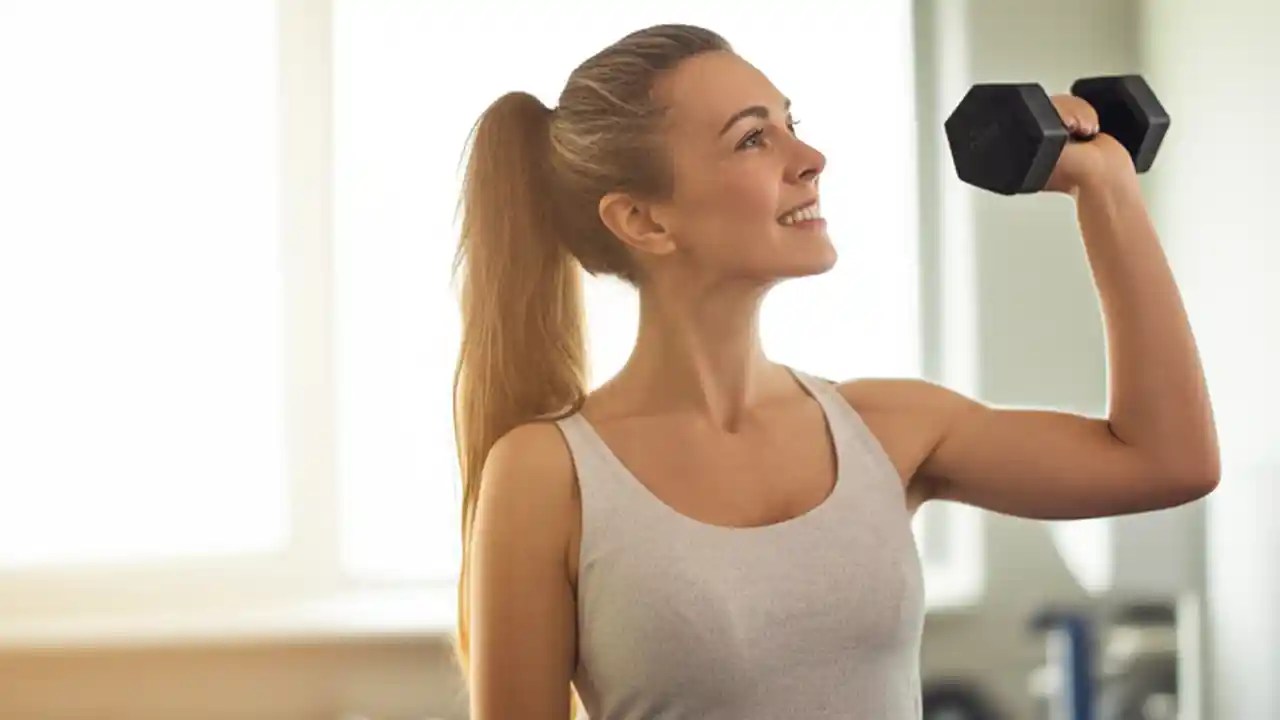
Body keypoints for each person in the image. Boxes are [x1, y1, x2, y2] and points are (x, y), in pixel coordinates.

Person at [449, 23, 1220, 720]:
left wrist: (1107, 188)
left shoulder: (888, 429)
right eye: (753, 139)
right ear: (643, 220)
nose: (810, 160)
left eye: (792, 124)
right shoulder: (547, 476)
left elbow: (1168, 459)